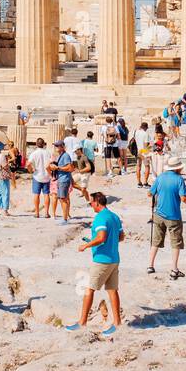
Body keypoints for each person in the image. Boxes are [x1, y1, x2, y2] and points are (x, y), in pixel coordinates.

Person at [66, 191, 123, 334]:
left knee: (89, 289)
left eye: (91, 203)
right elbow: (121, 237)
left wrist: (87, 245)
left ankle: (82, 322)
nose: (90, 205)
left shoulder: (100, 218)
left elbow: (102, 237)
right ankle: (117, 323)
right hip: (114, 258)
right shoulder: (115, 217)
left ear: (97, 202)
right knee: (112, 290)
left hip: (102, 260)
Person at [148, 156, 186, 279]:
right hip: (173, 216)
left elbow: (149, 193)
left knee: (156, 240)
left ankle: (150, 265)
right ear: (178, 168)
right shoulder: (179, 179)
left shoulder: (160, 177)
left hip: (158, 214)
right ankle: (174, 268)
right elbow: (183, 198)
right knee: (176, 242)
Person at [49, 140, 74, 224]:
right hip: (61, 179)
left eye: (57, 146)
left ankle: (65, 219)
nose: (56, 147)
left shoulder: (66, 155)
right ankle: (65, 217)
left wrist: (58, 168)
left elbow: (70, 168)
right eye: (55, 146)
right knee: (62, 199)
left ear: (62, 146)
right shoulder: (61, 155)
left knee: (63, 199)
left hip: (64, 179)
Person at [27, 137, 52, 219]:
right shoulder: (48, 153)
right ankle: (46, 213)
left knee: (36, 195)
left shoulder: (34, 153)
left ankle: (37, 213)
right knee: (46, 194)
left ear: (36, 144)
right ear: (44, 144)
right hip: (47, 176)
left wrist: (31, 170)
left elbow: (28, 164)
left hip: (37, 176)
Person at [134, 122, 153, 186]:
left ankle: (139, 182)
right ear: (145, 127)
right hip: (144, 152)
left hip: (138, 151)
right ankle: (145, 182)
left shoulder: (136, 132)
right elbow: (145, 146)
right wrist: (151, 146)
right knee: (147, 167)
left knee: (138, 166)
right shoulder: (145, 134)